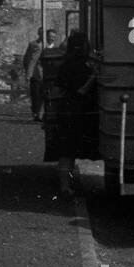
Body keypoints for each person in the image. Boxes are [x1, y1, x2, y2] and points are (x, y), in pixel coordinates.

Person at [50, 30, 96, 197]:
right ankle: (66, 186)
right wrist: (94, 76)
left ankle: (65, 185)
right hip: (78, 109)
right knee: (70, 149)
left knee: (66, 151)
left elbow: (56, 90)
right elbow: (82, 91)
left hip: (66, 109)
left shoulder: (65, 64)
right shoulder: (85, 66)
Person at [23, 33, 44, 120]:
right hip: (36, 74)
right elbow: (30, 59)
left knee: (41, 95)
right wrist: (28, 73)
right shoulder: (34, 45)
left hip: (44, 74)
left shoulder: (53, 45)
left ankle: (40, 114)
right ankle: (36, 114)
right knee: (35, 94)